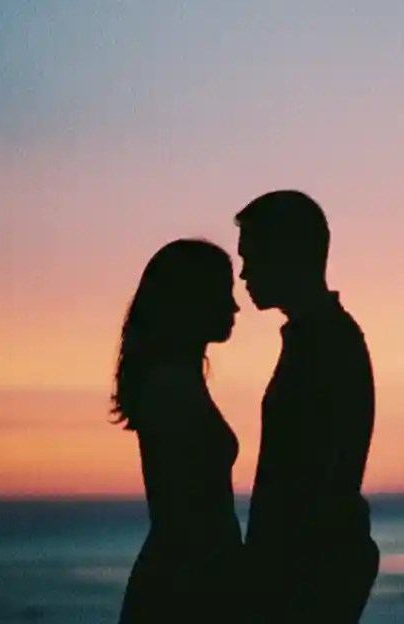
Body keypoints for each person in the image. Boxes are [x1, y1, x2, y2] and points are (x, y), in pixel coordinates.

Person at [236, 191, 379, 623]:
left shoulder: (327, 342)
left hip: (303, 580)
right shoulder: (314, 337)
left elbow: (313, 478)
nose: (243, 273)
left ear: (286, 255)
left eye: (252, 257)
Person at [112, 239, 243, 623]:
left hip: (188, 583)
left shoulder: (180, 378)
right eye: (224, 293)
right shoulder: (170, 386)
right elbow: (185, 513)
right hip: (183, 592)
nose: (235, 306)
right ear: (192, 300)